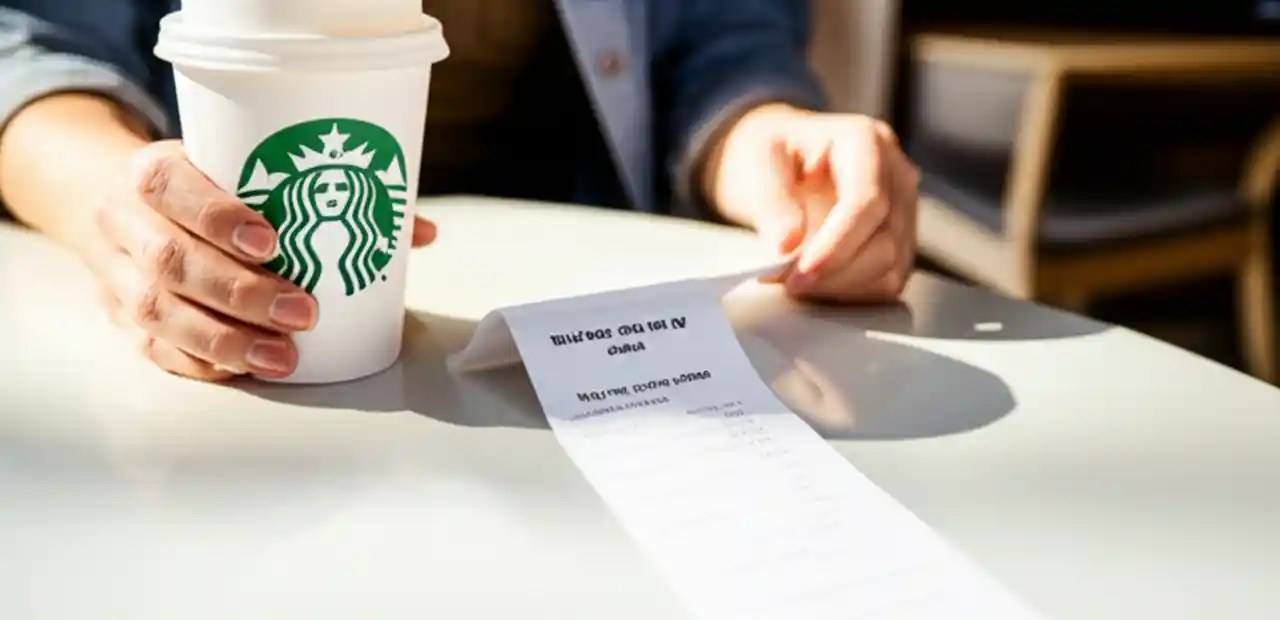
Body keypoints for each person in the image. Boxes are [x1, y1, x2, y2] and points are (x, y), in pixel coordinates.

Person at [0, 1, 919, 382]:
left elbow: (718, 25)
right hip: (217, 333)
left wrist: (755, 128)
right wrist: (114, 203)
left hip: (568, 301)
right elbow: (27, 33)